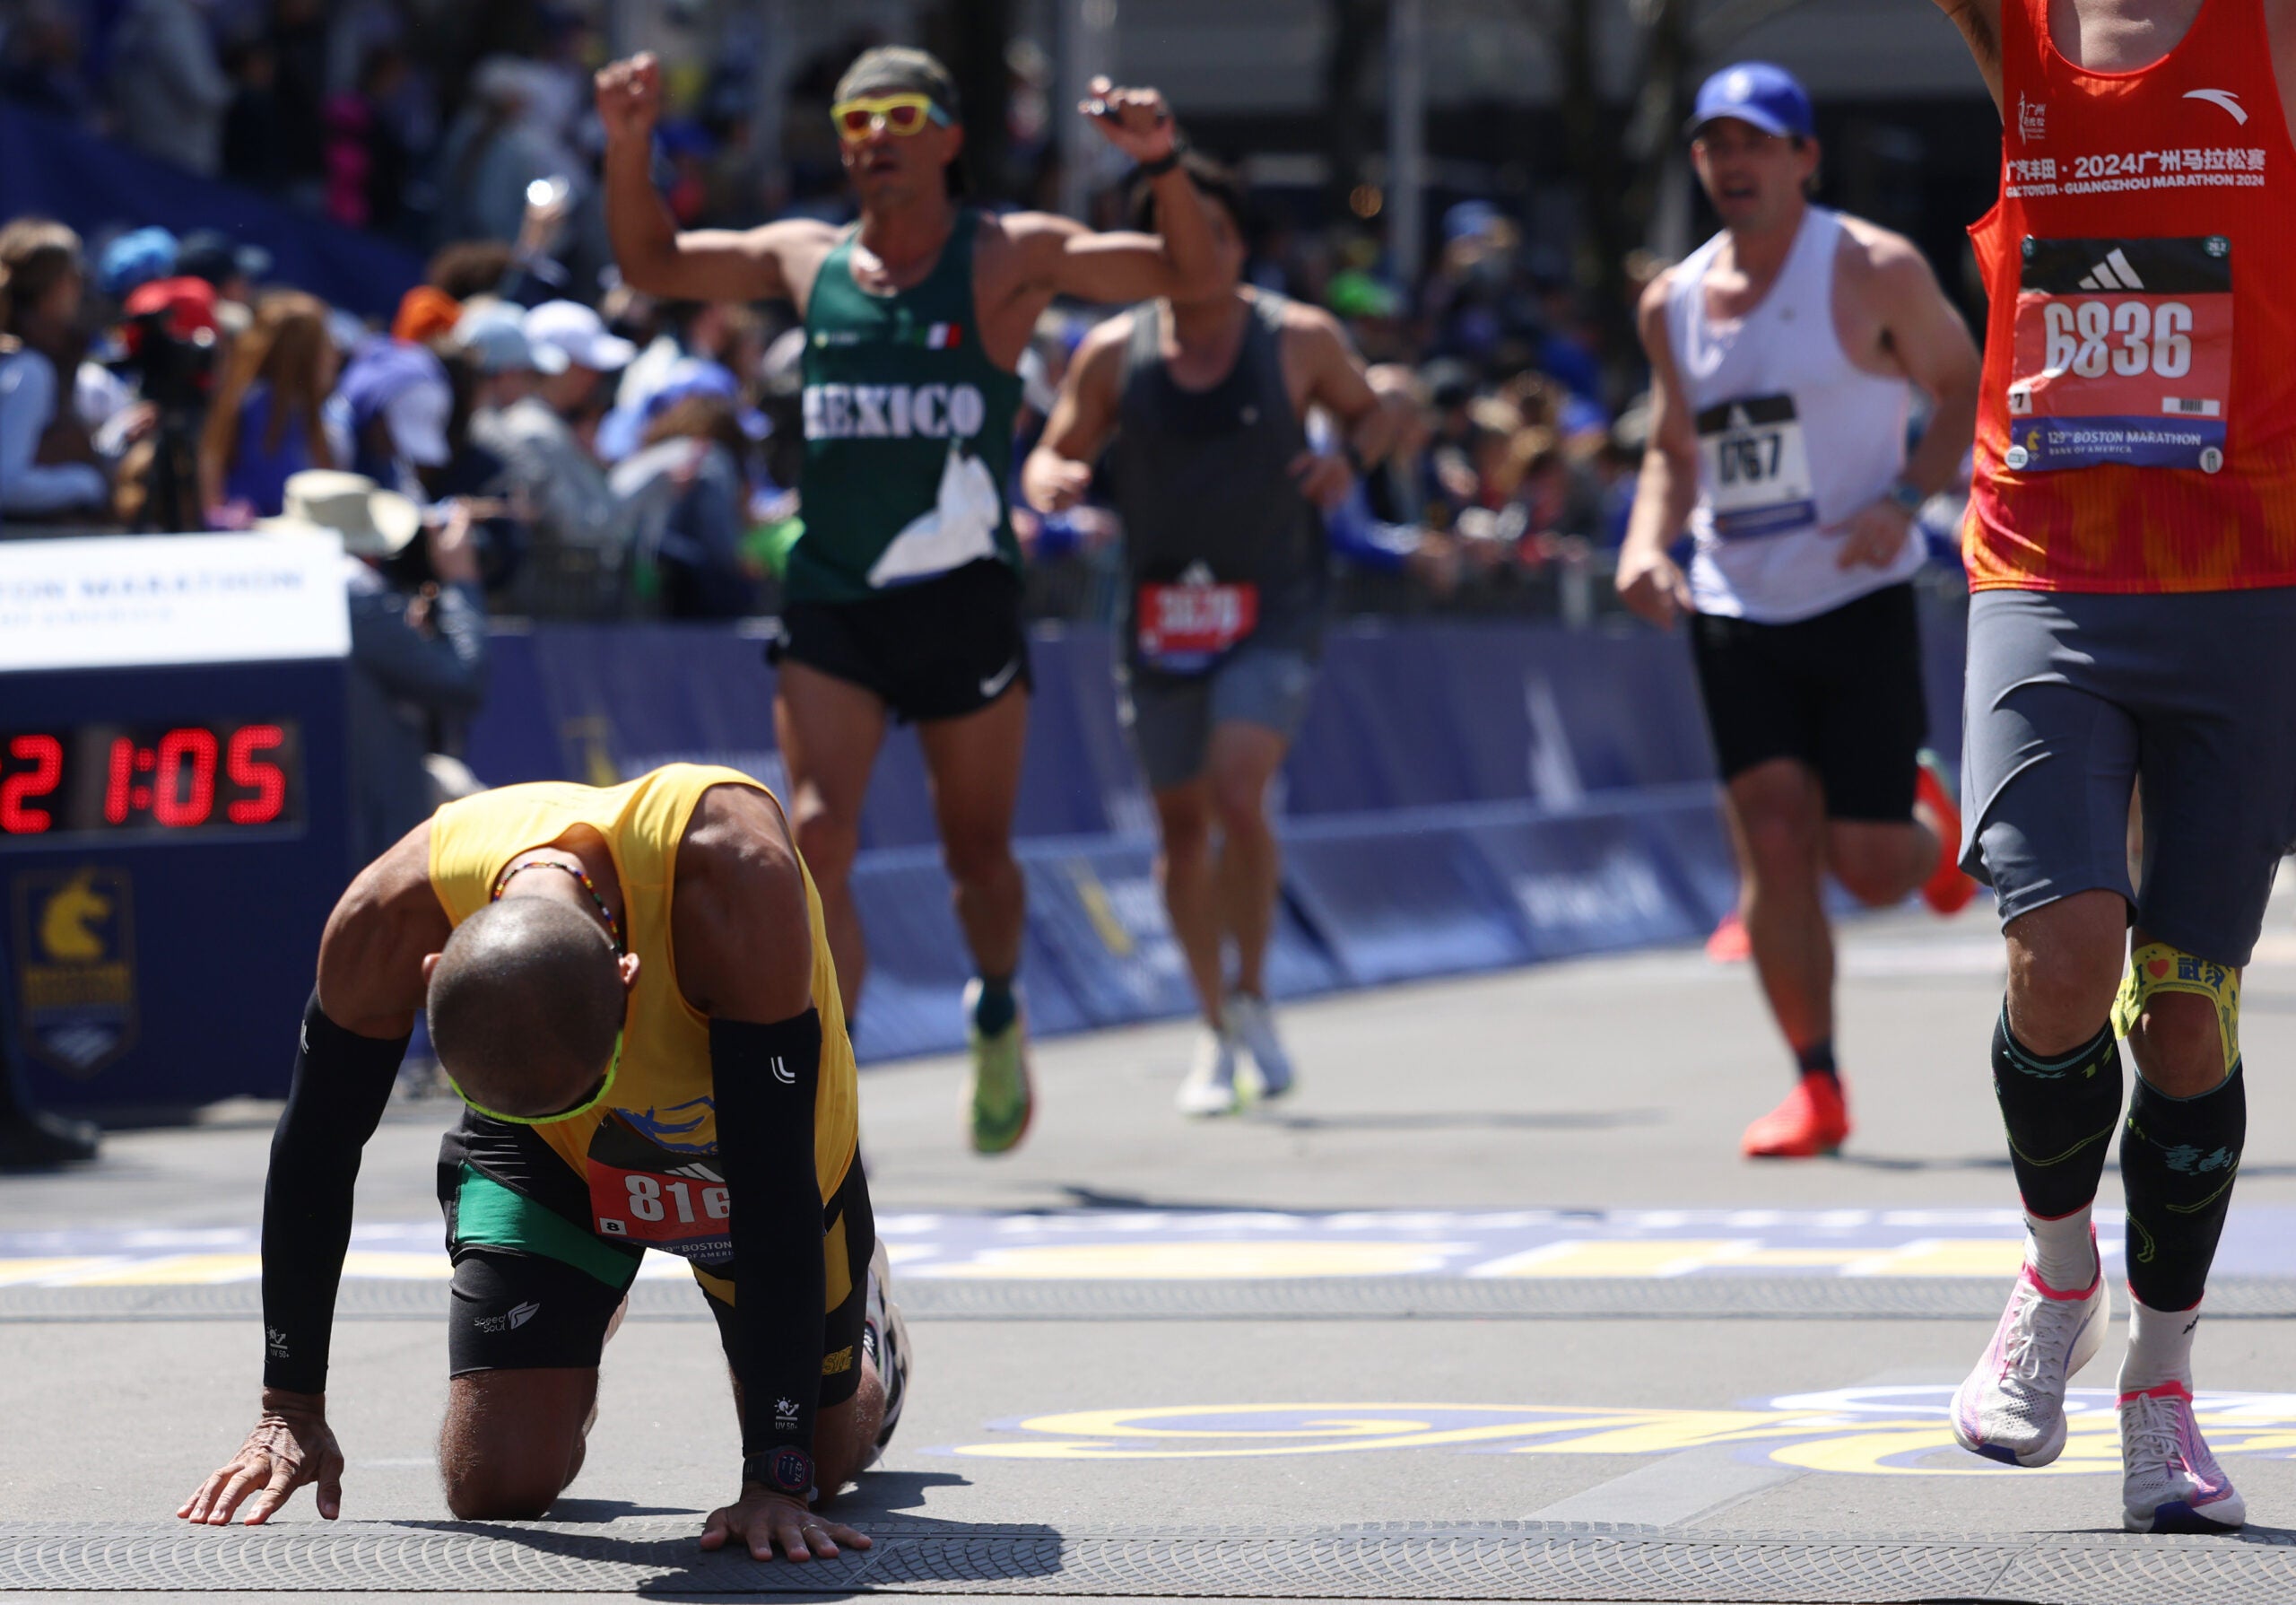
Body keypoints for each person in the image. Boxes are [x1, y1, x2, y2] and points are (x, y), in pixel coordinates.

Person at [598, 44, 1219, 1152]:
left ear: (945, 136)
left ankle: (993, 1004)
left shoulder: (1007, 255)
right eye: (853, 120)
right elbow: (652, 260)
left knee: (974, 859)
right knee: (817, 837)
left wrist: (1161, 162)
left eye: (898, 114)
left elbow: (1189, 275)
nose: (873, 135)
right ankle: (823, 1077)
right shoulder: (805, 257)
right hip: (834, 601)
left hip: (961, 600)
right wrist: (631, 138)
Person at [178, 763, 909, 1563]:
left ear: (629, 979)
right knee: (494, 1480)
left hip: (738, 1147)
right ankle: (579, 1295)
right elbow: (313, 1152)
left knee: (825, 1460)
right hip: (544, 1159)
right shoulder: (385, 918)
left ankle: (866, 1318)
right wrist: (289, 1402)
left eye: (585, 1089)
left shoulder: (735, 878)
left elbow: (774, 1187)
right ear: (433, 973)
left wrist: (776, 1475)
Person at [1927, 0, 2296, 1537]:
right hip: (2048, 577)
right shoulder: (2012, 30)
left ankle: (2162, 1375)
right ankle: (2055, 1270)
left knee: (2192, 1014)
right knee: (2059, 959)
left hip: (2245, 587)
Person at [1613, 63, 1983, 1161]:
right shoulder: (1669, 302)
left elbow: (1962, 384)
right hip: (1735, 598)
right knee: (1773, 845)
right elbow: (1671, 448)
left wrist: (1907, 498)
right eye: (1715, 146)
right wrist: (1643, 543)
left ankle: (1930, 830)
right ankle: (1815, 1085)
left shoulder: (1870, 268)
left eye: (1757, 144)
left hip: (1855, 589)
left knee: (1868, 868)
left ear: (1803, 158)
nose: (1734, 165)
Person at [1021, 154, 1397, 1115]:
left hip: (1269, 601)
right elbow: (1055, 447)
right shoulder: (1114, 348)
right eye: (1177, 236)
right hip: (1156, 612)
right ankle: (1211, 1025)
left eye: (1216, 234)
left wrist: (1344, 460)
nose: (1197, 252)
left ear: (1237, 244)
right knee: (1181, 827)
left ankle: (1257, 991)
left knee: (1238, 792)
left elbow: (1381, 408)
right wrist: (1051, 484)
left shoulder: (1295, 338)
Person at [0, 217, 109, 523]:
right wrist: (88, 483)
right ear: (53, 289)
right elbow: (6, 485)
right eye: (74, 274)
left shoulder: (32, 361)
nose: (81, 284)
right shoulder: (30, 370)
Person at [198, 290, 338, 523]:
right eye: (325, 343)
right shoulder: (268, 409)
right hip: (265, 538)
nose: (334, 354)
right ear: (304, 354)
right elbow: (280, 489)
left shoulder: (253, 399)